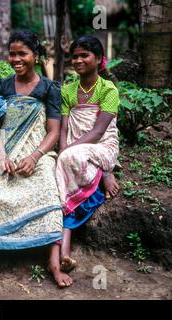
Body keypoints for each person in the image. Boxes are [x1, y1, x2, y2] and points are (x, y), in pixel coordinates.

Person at [0, 30, 73, 288]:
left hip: (38, 153)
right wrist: (1, 156)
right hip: (6, 151)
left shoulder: (49, 88)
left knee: (47, 189)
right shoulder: (0, 85)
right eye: (12, 54)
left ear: (36, 56)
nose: (16, 59)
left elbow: (54, 131)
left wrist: (35, 156)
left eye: (23, 53)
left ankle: (54, 262)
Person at [56, 35, 120, 273]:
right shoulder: (68, 91)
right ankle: (63, 252)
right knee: (62, 169)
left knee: (72, 159)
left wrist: (68, 152)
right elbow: (64, 128)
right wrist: (64, 150)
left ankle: (105, 169)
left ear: (99, 59)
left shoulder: (107, 89)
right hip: (74, 148)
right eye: (75, 56)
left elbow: (99, 131)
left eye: (85, 55)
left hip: (101, 144)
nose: (79, 60)